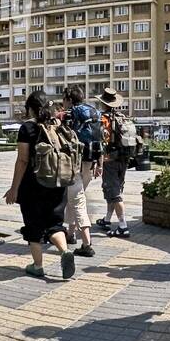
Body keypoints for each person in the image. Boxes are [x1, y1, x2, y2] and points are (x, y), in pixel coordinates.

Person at [2, 91, 78, 280]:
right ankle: (64, 251)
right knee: (55, 223)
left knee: (33, 225)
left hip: (33, 184)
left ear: (31, 108)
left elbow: (22, 160)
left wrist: (14, 188)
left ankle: (38, 266)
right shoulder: (59, 126)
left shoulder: (27, 128)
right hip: (58, 182)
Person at [63, 84, 101, 258]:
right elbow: (100, 139)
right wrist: (99, 163)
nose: (63, 103)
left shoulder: (71, 113)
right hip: (90, 162)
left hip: (75, 162)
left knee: (77, 201)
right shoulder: (94, 111)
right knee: (74, 197)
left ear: (69, 99)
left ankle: (86, 243)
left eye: (64, 100)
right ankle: (70, 234)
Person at [97, 88, 137, 237]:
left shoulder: (104, 119)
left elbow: (102, 141)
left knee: (114, 194)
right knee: (114, 190)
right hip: (124, 159)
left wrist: (99, 162)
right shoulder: (123, 117)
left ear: (103, 104)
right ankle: (107, 220)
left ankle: (123, 226)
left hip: (110, 160)